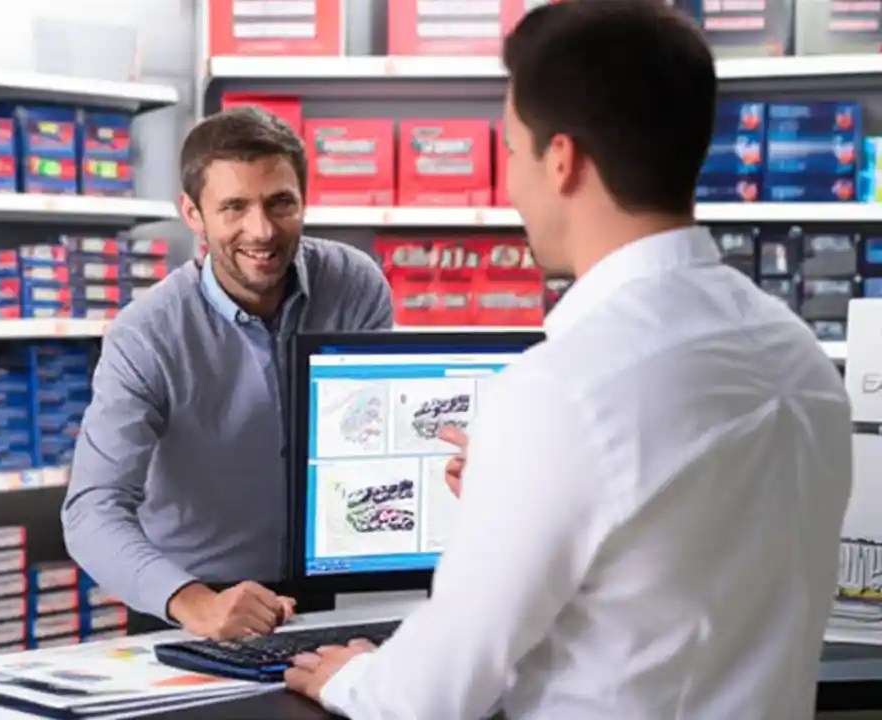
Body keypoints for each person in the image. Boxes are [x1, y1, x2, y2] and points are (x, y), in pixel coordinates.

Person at [284, 2, 853, 718]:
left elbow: (430, 695)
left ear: (562, 161)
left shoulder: (565, 390)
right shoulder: (795, 352)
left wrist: (349, 675)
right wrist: (511, 494)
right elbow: (673, 570)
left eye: (513, 152)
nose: (511, 182)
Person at [62, 107, 395, 639]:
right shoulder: (146, 333)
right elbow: (92, 510)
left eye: (280, 203)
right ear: (192, 213)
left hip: (325, 588)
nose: (261, 230)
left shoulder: (354, 286)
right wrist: (195, 604)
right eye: (234, 207)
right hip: (188, 603)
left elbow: (377, 439)